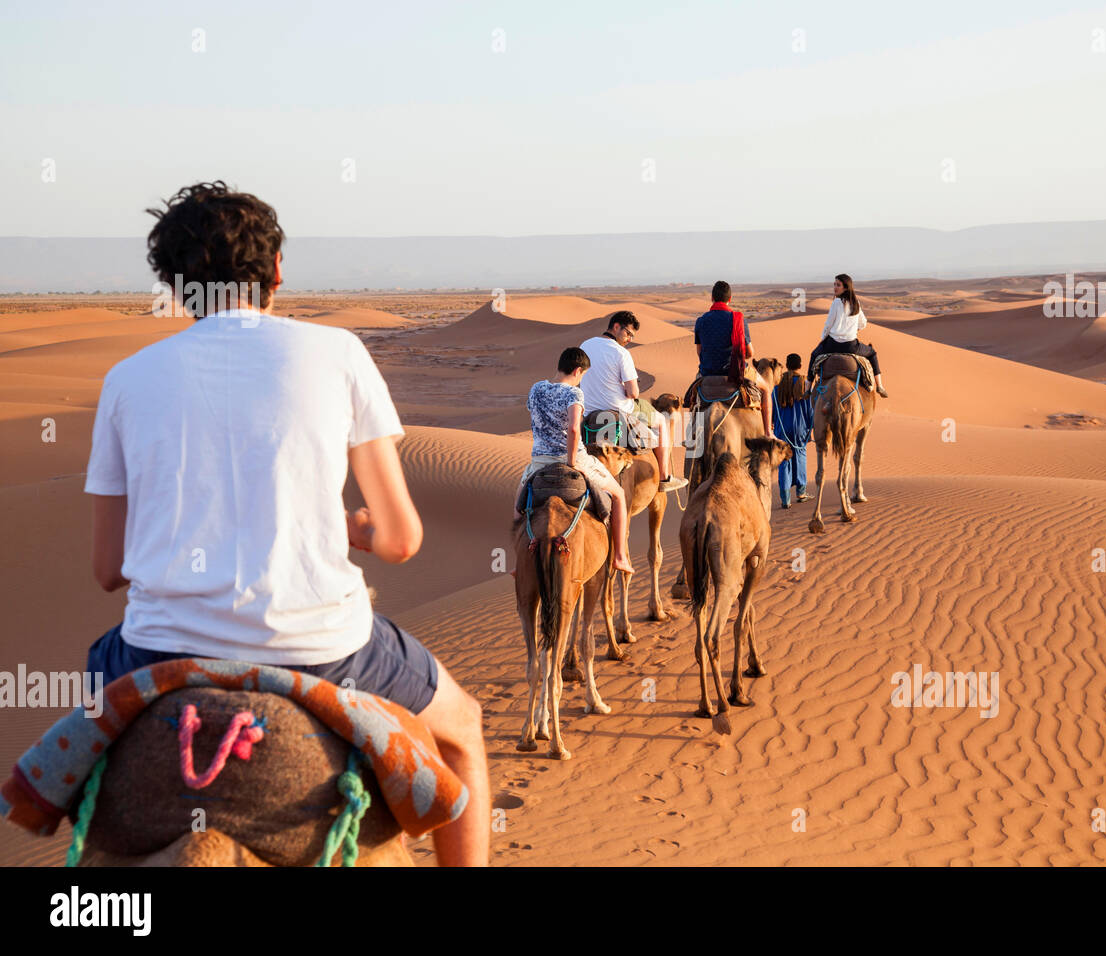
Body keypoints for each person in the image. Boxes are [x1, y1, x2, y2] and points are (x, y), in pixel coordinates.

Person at [83, 181, 489, 866]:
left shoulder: (128, 378)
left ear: (175, 285)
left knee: (88, 757)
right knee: (462, 734)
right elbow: (400, 539)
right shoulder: (337, 353)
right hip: (322, 646)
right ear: (275, 271)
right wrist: (344, 527)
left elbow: (106, 569)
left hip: (158, 649)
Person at [520, 347, 636, 574]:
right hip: (574, 459)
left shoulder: (536, 389)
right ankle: (620, 556)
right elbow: (574, 428)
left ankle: (518, 562)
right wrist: (572, 462)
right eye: (582, 376)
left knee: (518, 505)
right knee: (619, 495)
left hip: (540, 462)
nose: (581, 380)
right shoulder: (574, 394)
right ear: (577, 370)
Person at [578, 311, 688, 493]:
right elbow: (633, 392)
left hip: (588, 411)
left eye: (632, 336)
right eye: (628, 333)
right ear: (615, 327)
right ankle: (664, 477)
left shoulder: (585, 345)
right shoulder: (621, 353)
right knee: (661, 421)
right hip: (620, 409)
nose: (629, 338)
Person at [693, 280, 775, 438]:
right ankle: (768, 433)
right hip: (736, 371)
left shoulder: (701, 321)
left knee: (693, 398)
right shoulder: (738, 319)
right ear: (730, 299)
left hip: (707, 372)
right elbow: (749, 353)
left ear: (712, 298)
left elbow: (699, 352)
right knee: (765, 389)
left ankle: (691, 436)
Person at [808, 273, 889, 397]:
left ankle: (808, 389)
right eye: (834, 284)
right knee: (872, 353)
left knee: (814, 355)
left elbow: (828, 324)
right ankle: (880, 386)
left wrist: (823, 339)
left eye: (838, 285)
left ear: (845, 287)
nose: (835, 287)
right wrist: (853, 328)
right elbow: (863, 323)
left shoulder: (836, 302)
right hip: (851, 346)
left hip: (832, 345)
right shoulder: (856, 303)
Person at [774, 353, 815, 508]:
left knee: (784, 460)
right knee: (800, 456)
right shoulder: (804, 384)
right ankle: (801, 493)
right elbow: (810, 410)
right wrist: (811, 428)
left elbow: (773, 408)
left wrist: (773, 424)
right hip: (800, 428)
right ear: (800, 365)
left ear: (787, 364)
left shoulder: (778, 385)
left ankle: (785, 499)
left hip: (782, 427)